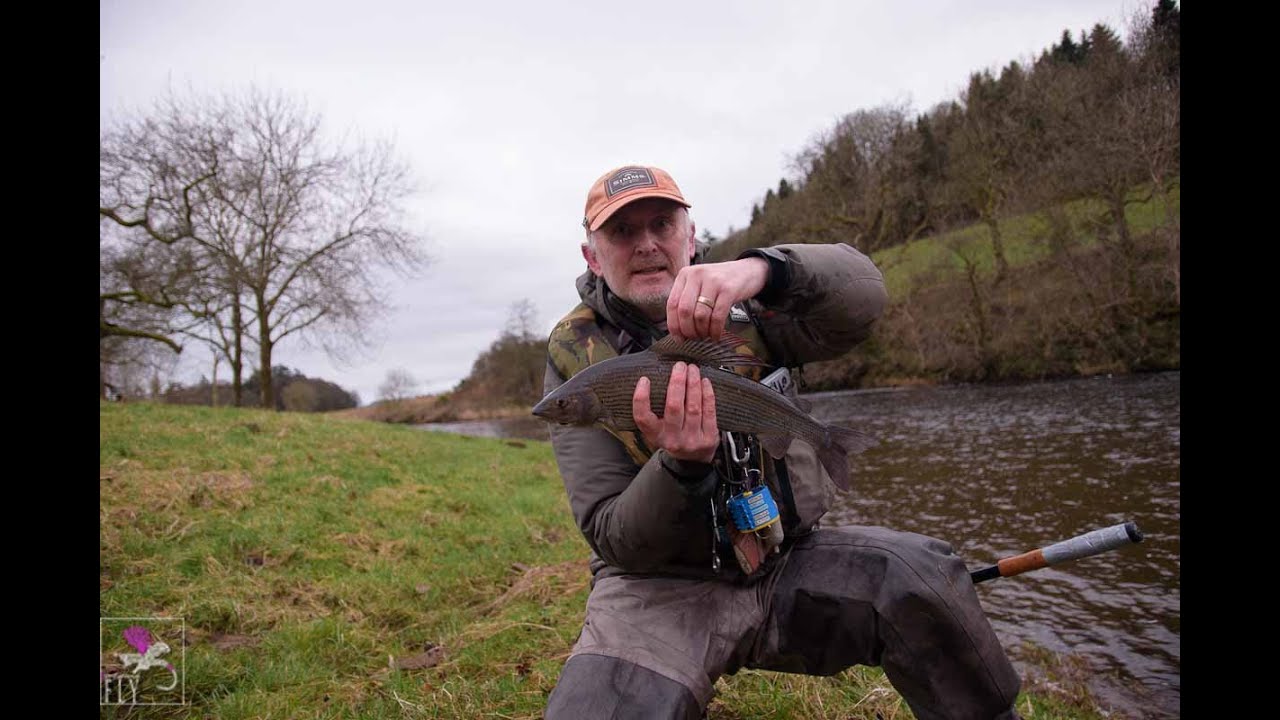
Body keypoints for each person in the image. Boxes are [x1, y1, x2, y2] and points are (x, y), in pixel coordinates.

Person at [540, 164, 1023, 720]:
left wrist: (765, 271)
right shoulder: (575, 358)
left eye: (661, 225)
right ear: (592, 256)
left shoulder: (751, 306)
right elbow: (612, 535)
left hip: (783, 560)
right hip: (656, 592)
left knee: (921, 577)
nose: (646, 244)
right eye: (622, 232)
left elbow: (865, 298)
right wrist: (682, 468)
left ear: (690, 238)